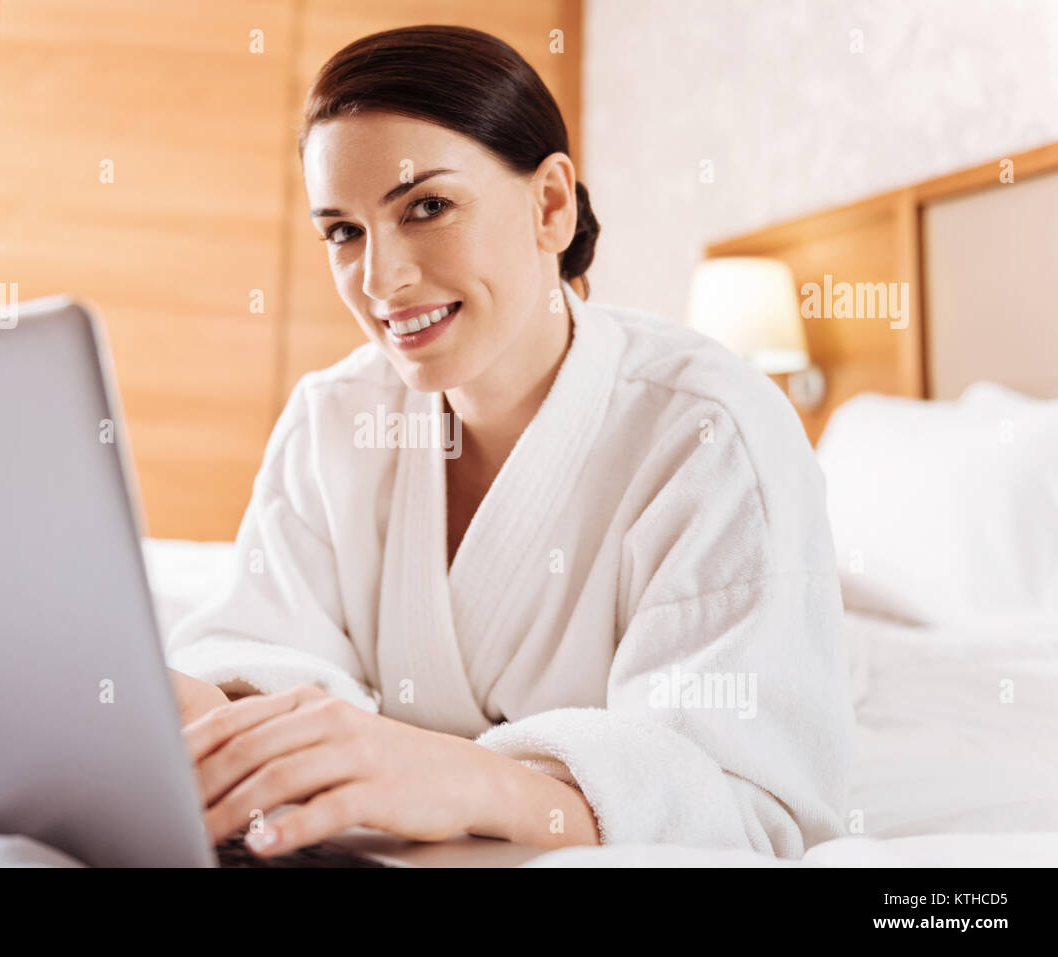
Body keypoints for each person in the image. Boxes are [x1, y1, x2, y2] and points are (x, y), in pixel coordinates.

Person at [167, 24, 854, 861]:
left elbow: (746, 806)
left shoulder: (711, 433)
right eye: (343, 232)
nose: (380, 282)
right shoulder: (334, 416)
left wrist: (466, 779)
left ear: (550, 204)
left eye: (427, 206)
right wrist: (209, 707)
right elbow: (262, 647)